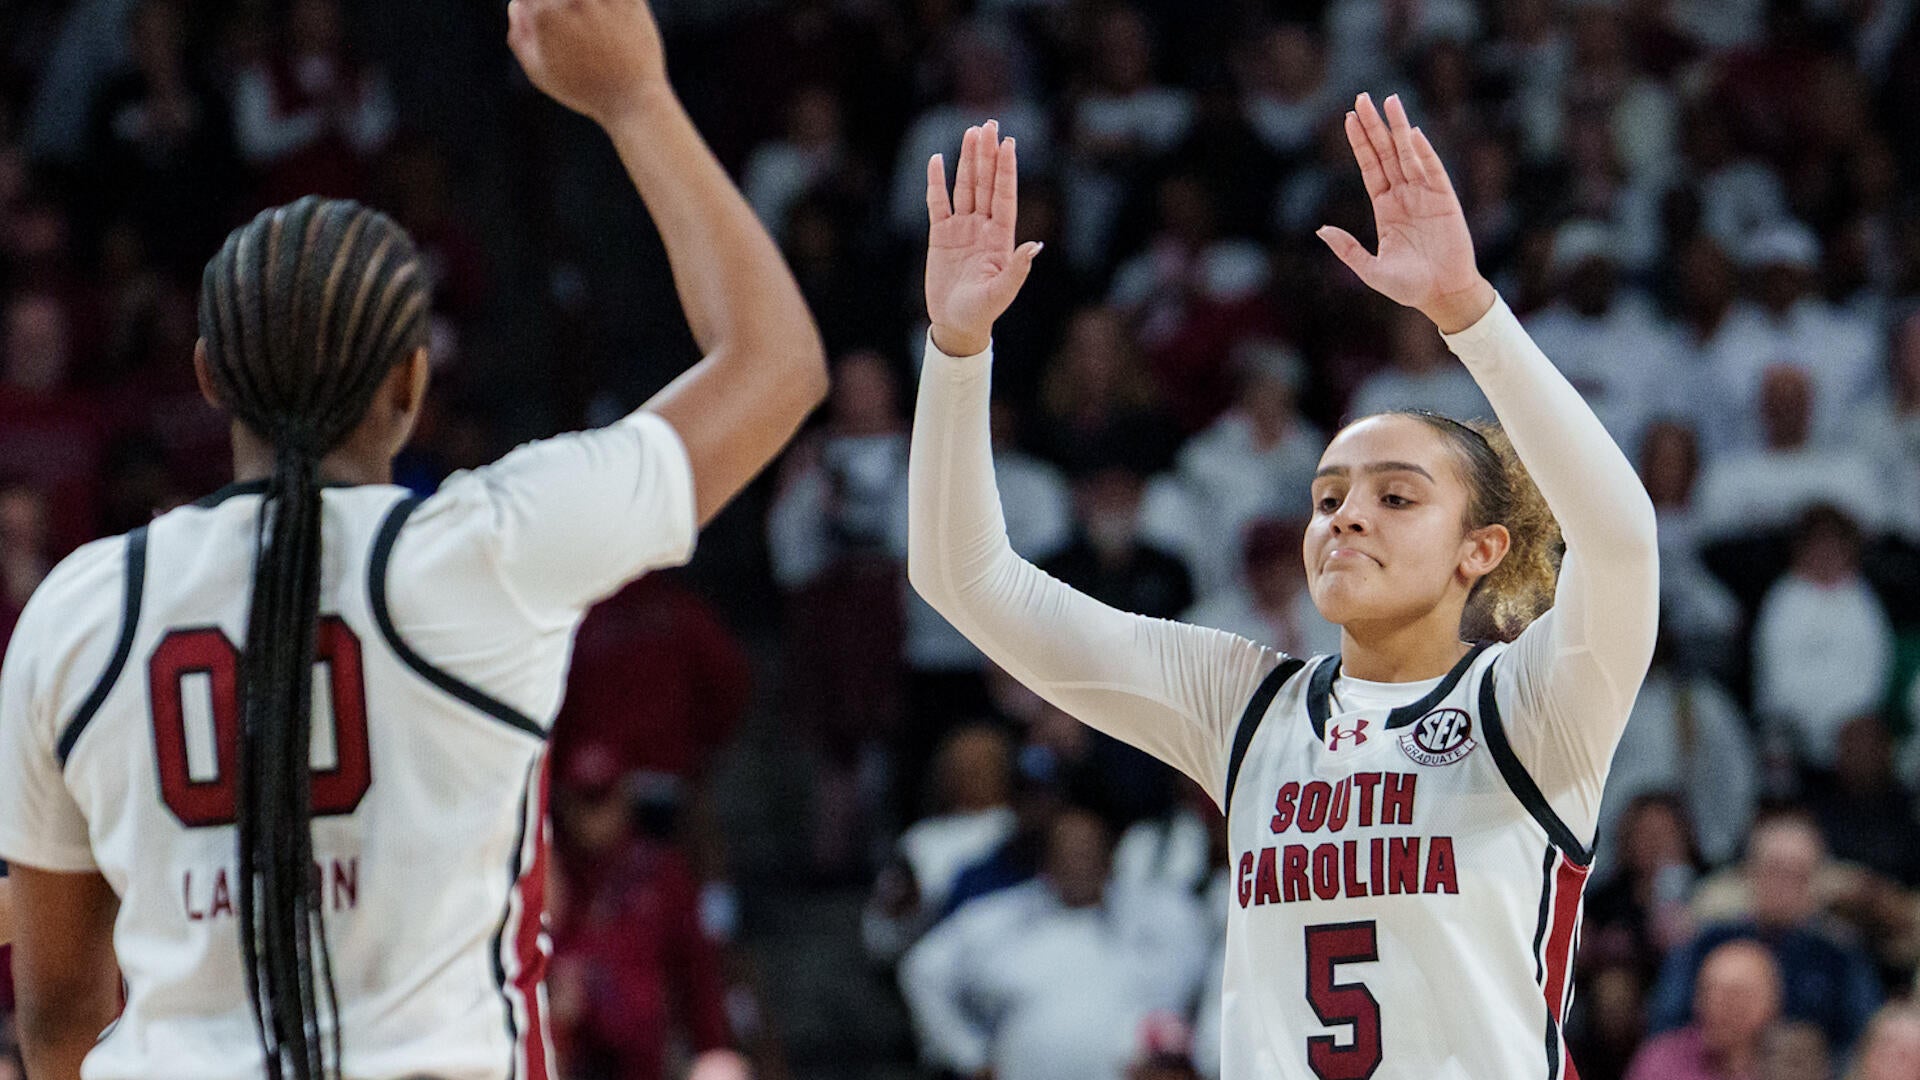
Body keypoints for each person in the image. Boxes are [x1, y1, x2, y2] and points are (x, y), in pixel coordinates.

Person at [0, 0, 828, 1077]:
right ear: (413, 382)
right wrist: (635, 99)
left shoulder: (81, 605)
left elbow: (59, 1007)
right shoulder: (492, 548)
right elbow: (776, 364)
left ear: (206, 379)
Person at [910, 92, 1658, 1078]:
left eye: (1396, 497)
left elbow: (1620, 541)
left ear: (1480, 549)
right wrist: (957, 353)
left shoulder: (1532, 702)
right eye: (1329, 495)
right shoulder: (1247, 707)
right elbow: (962, 579)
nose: (1345, 516)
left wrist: (1467, 312)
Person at [1625, 940, 1783, 1080]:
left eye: (1733, 995)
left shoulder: (1794, 1063)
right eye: (1707, 991)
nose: (1715, 1005)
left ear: (1770, 1002)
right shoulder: (1661, 1059)